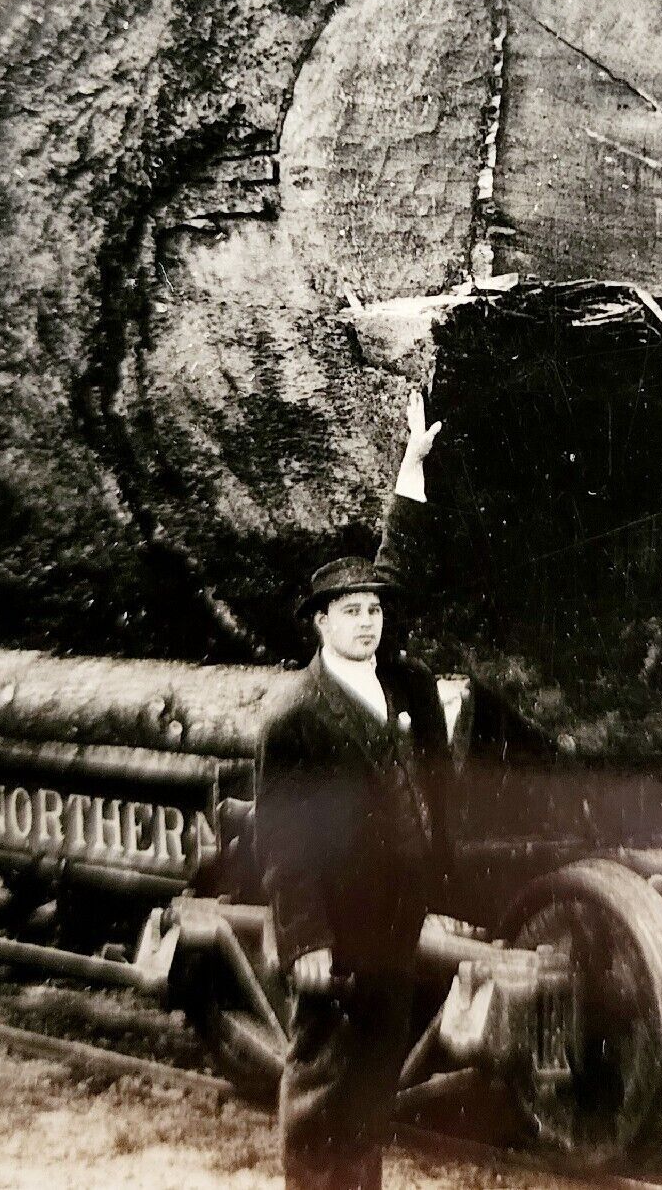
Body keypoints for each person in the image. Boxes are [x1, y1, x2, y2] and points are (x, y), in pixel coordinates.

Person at [255, 390, 451, 1190]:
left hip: (395, 926)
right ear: (320, 624)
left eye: (373, 610)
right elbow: (283, 848)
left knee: (373, 1086)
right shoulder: (296, 717)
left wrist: (410, 471)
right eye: (349, 612)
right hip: (335, 928)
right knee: (322, 1083)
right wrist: (304, 943)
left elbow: (400, 562)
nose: (366, 622)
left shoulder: (397, 683)